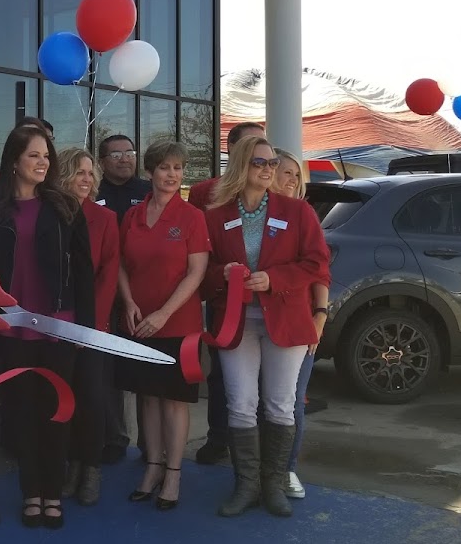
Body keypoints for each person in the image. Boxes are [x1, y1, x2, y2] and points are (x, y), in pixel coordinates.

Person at [202, 136, 330, 519]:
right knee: (240, 404)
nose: (268, 169)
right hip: (236, 323)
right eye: (260, 162)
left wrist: (274, 279)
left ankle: (273, 485)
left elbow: (317, 264)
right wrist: (222, 273)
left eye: (272, 163)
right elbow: (202, 273)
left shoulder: (297, 211)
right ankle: (246, 486)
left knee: (280, 404)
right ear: (242, 165)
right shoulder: (216, 214)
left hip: (286, 320)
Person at [0, 125, 93, 529]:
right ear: (15, 161)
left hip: (59, 327)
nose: (43, 162)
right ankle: (31, 492)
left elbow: (84, 270)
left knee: (56, 411)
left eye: (46, 155)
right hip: (13, 328)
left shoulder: (66, 205)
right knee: (22, 414)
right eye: (34, 155)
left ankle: (53, 491)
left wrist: (85, 326)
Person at [116, 140, 209, 512]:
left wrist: (164, 314)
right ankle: (152, 466)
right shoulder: (133, 216)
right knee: (147, 397)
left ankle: (173, 472)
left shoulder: (192, 217)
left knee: (174, 400)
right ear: (151, 172)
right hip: (139, 322)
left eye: (178, 168)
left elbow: (196, 272)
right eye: (165, 168)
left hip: (177, 324)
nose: (172, 175)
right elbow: (121, 264)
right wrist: (128, 301)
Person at [189, 122, 266, 465]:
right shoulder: (205, 192)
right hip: (224, 301)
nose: (259, 156)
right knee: (221, 370)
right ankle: (218, 436)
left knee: (265, 376)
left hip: (268, 301)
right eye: (250, 146)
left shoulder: (274, 188)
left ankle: (258, 443)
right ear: (232, 148)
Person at [56, 147, 121, 506]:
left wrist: (87, 329)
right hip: (55, 325)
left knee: (92, 399)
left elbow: (108, 276)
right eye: (79, 172)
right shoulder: (50, 214)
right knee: (62, 398)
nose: (86, 179)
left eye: (90, 173)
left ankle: (90, 468)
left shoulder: (106, 219)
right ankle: (69, 466)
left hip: (91, 328)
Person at [272, 148, 330, 500]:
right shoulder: (250, 216)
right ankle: (260, 470)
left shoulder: (304, 215)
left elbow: (320, 270)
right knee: (258, 400)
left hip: (299, 322)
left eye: (297, 174)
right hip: (259, 322)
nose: (292, 179)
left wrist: (320, 316)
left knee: (291, 399)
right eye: (285, 172)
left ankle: (287, 469)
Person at [94, 133, 148, 462]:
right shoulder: (92, 191)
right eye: (116, 155)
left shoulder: (148, 192)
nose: (125, 158)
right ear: (101, 162)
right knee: (105, 370)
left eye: (130, 152)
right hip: (101, 293)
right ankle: (113, 437)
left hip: (142, 296)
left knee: (143, 372)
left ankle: (151, 445)